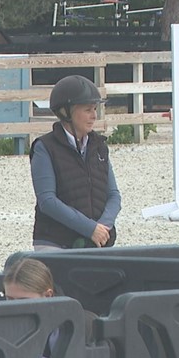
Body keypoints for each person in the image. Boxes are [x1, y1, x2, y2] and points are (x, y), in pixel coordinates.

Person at [29, 75, 121, 251]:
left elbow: (113, 195)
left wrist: (103, 227)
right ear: (66, 112)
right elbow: (47, 201)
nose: (94, 116)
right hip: (56, 242)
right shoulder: (44, 148)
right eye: (87, 110)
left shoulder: (99, 146)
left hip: (98, 241)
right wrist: (89, 228)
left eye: (95, 109)